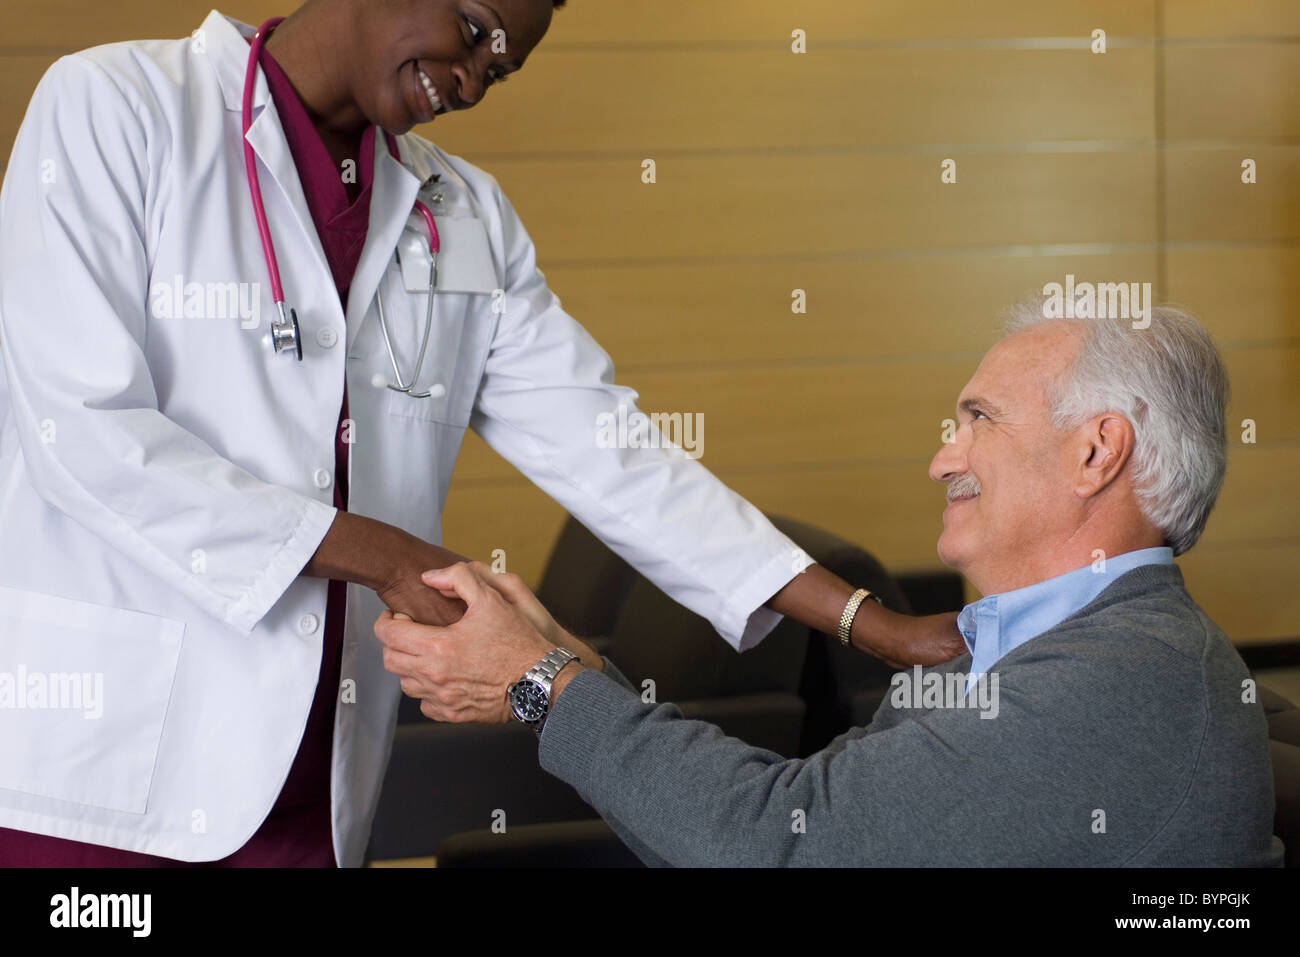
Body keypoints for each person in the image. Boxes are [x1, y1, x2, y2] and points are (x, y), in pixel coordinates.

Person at [0, 1, 963, 866]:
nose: (470, 79)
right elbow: (81, 431)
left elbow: (611, 449)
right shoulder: (116, 108)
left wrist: (868, 621)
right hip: (105, 775)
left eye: (500, 66)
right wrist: (385, 557)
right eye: (472, 28)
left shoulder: (460, 214)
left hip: (315, 779)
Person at [378, 303, 1286, 866]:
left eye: (978, 420)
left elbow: (780, 842)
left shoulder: (1117, 679)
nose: (941, 458)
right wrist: (563, 671)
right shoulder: (1058, 640)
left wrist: (546, 684)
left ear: (1096, 451)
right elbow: (794, 830)